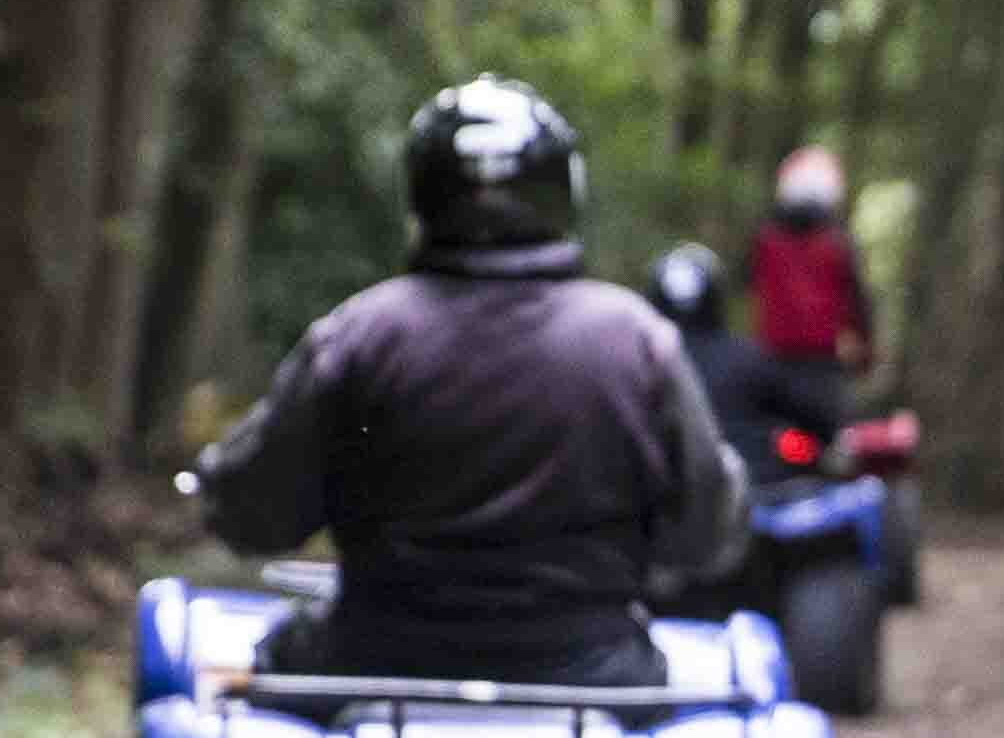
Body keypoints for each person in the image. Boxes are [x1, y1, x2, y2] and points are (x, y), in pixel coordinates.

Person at [192, 76, 747, 688]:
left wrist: (219, 483)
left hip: (374, 663)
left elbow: (255, 513)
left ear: (423, 192)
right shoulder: (637, 340)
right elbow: (707, 533)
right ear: (562, 191)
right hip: (596, 674)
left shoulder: (359, 335)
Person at [738, 144, 870, 445]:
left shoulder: (764, 240)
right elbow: (858, 306)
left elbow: (748, 289)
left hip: (769, 365)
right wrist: (864, 355)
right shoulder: (837, 243)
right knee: (833, 450)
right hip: (819, 372)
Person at [643, 243, 797, 479]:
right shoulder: (749, 358)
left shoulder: (643, 368)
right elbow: (803, 414)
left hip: (679, 501)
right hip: (756, 490)